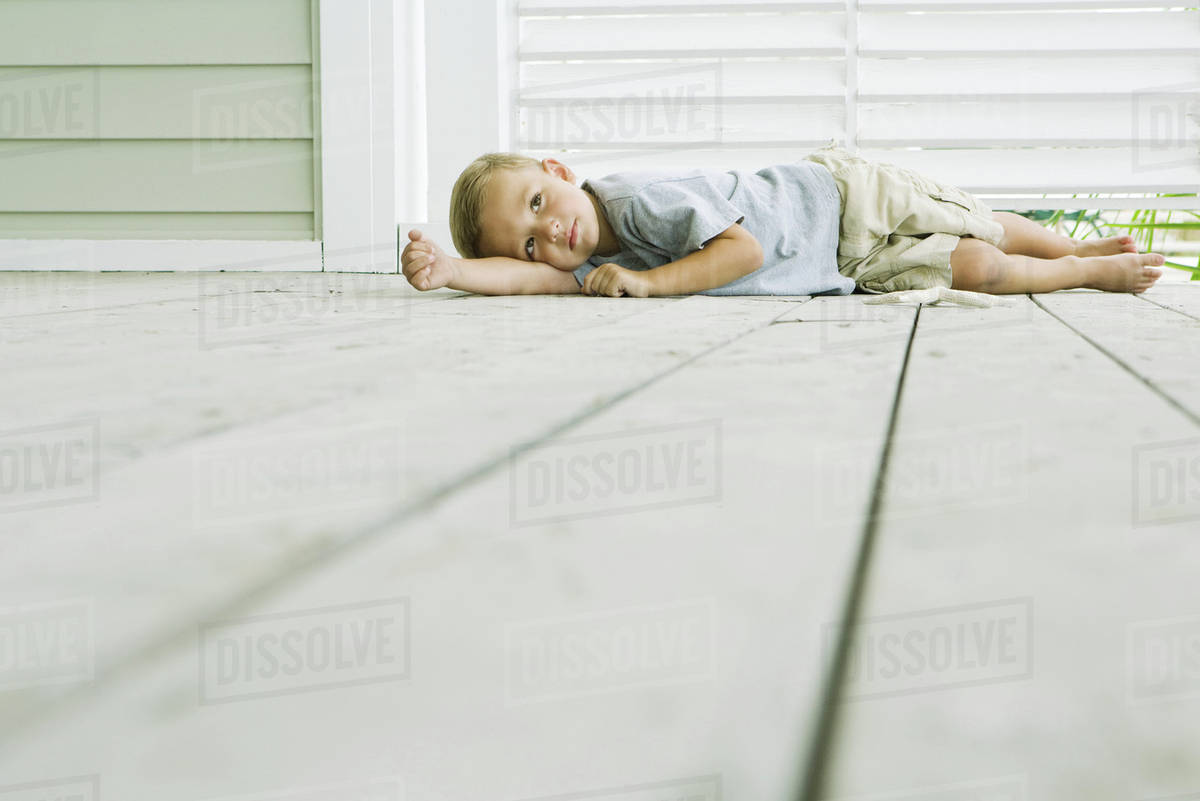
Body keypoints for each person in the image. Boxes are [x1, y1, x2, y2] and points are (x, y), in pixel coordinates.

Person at [402, 145, 1165, 298]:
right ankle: (1083, 273)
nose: (550, 237)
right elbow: (528, 281)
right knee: (974, 267)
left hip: (840, 196)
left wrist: (654, 289)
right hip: (842, 268)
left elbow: (742, 250)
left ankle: (1076, 245)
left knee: (980, 225)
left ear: (559, 171)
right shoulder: (582, 267)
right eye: (531, 243)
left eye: (539, 205)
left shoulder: (638, 207)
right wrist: (451, 270)